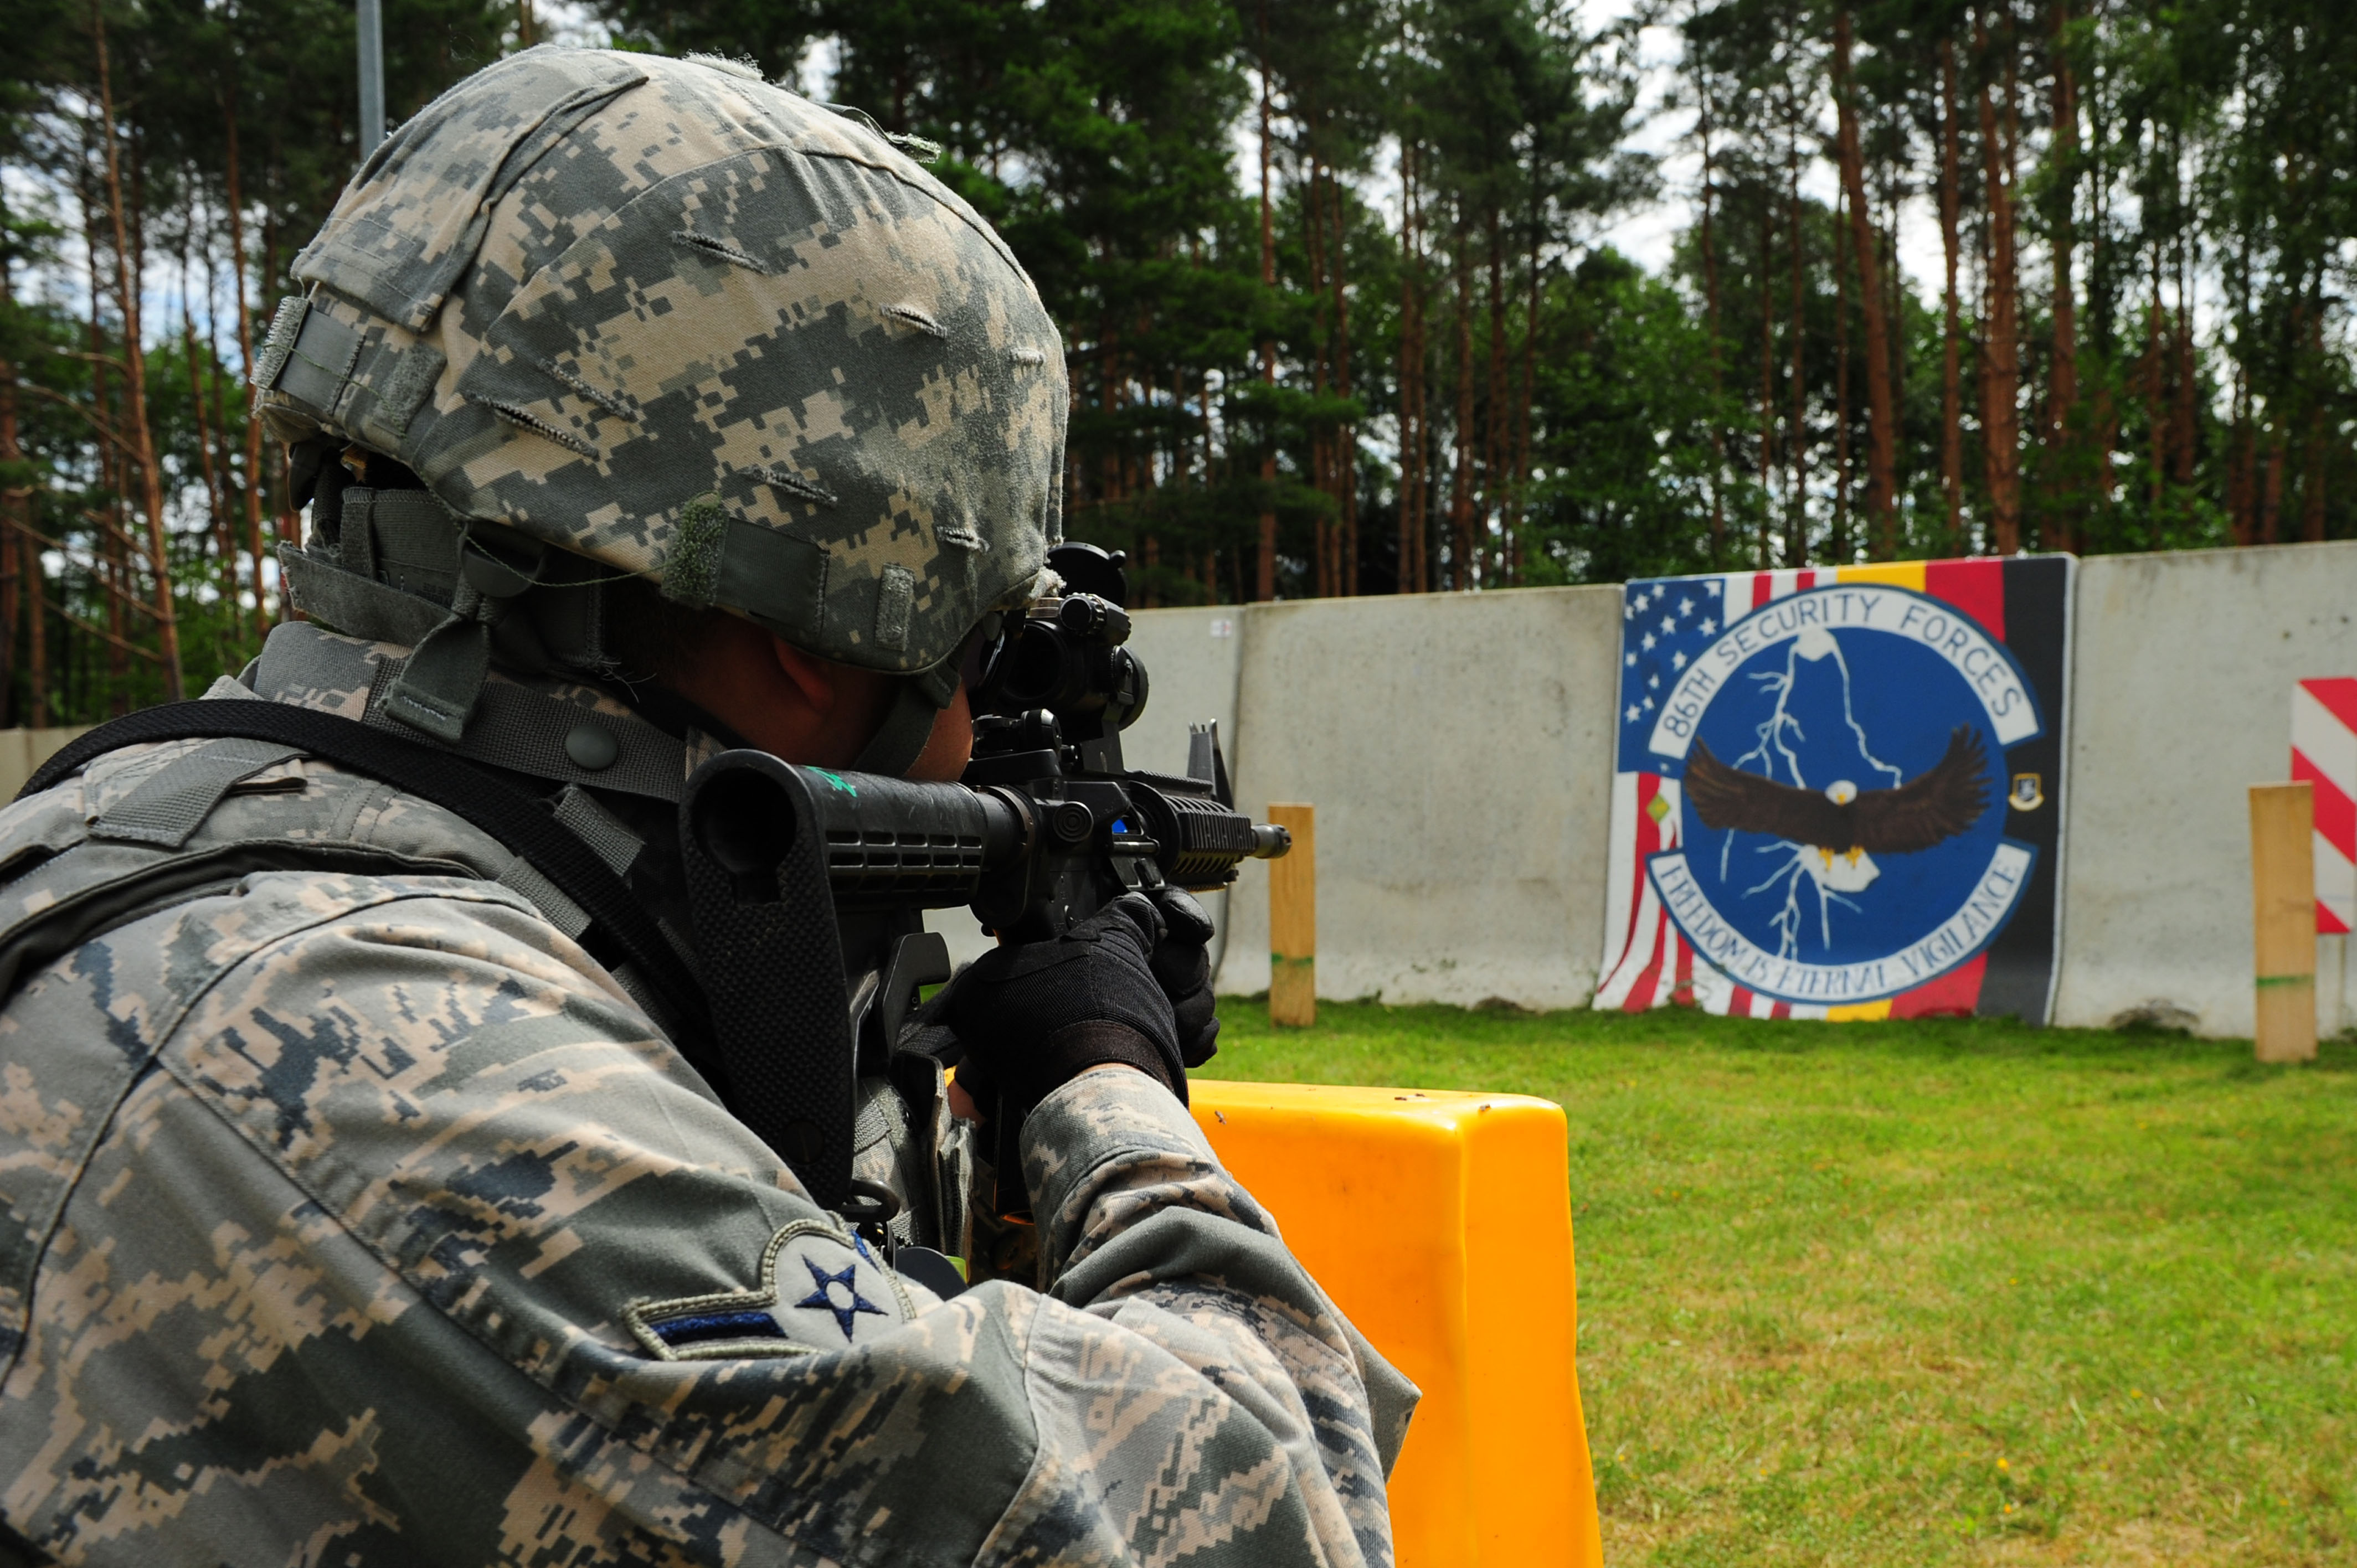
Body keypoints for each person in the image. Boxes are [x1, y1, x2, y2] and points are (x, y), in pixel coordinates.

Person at [0, 48, 1412, 1567]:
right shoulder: (380, 1061)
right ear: (818, 635)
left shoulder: (168, 849)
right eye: (982, 647)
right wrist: (1105, 1089)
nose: (966, 740)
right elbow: (1264, 1516)